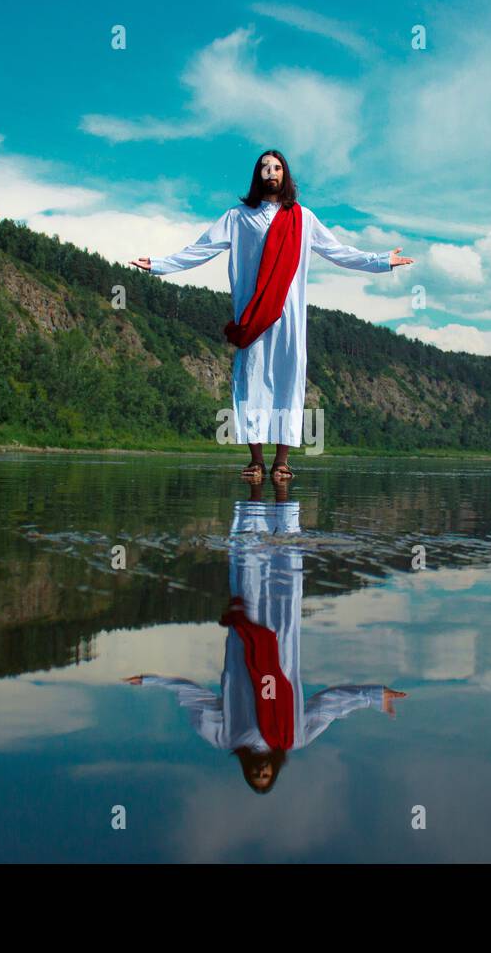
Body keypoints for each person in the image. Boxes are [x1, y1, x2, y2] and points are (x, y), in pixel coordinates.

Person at [130, 150, 414, 482]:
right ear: (257, 175)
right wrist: (160, 265)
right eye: (265, 167)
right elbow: (201, 248)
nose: (271, 171)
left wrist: (380, 260)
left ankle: (281, 461)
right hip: (252, 313)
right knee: (251, 380)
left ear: (285, 175)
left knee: (287, 379)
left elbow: (338, 251)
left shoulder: (302, 218)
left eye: (277, 167)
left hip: (289, 314)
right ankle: (255, 460)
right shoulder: (237, 217)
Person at [123, 487, 406, 794]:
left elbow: (195, 697)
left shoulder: (225, 737)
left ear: (247, 772)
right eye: (265, 776)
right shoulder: (294, 738)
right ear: (273, 772)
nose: (261, 771)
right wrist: (372, 696)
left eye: (255, 775)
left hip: (244, 651)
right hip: (283, 651)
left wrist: (154, 681)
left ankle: (252, 505)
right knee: (287, 592)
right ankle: (286, 516)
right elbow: (328, 706)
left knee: (247, 588)